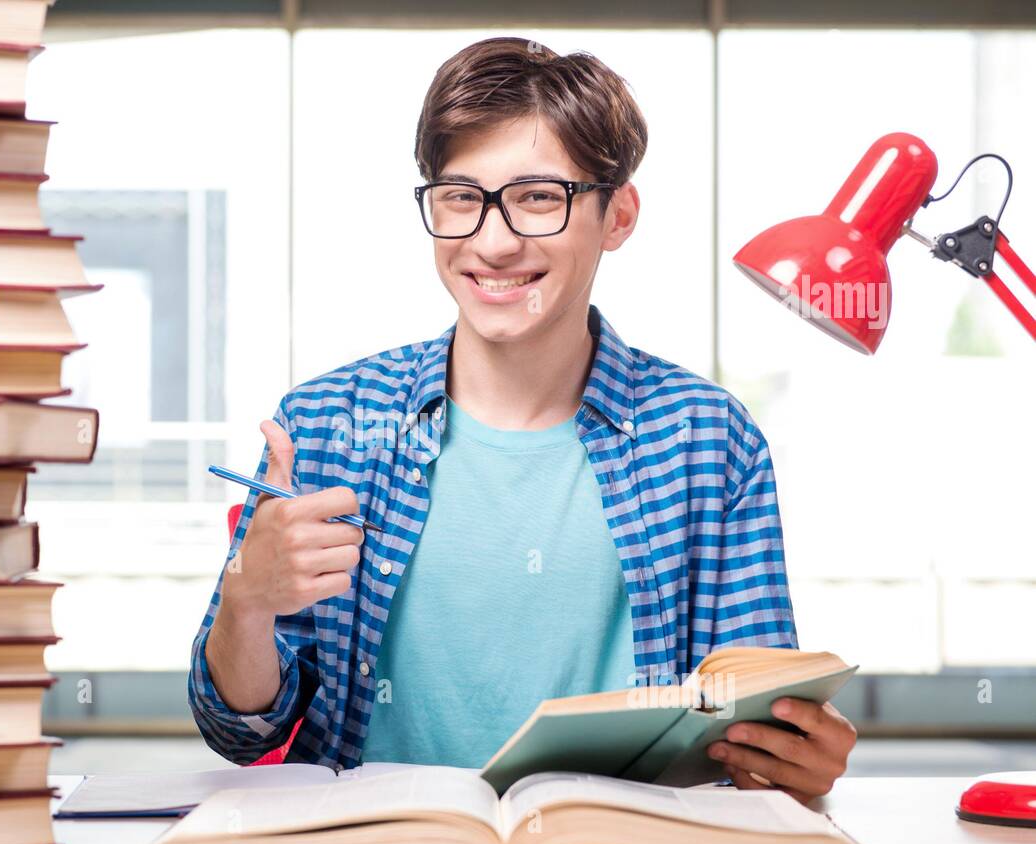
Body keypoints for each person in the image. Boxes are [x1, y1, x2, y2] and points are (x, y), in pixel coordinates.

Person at [189, 36, 856, 804]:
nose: (494, 243)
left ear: (618, 215)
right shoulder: (327, 423)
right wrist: (247, 598)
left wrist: (793, 760)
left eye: (539, 197)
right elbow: (240, 732)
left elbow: (755, 733)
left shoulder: (709, 439)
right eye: (461, 198)